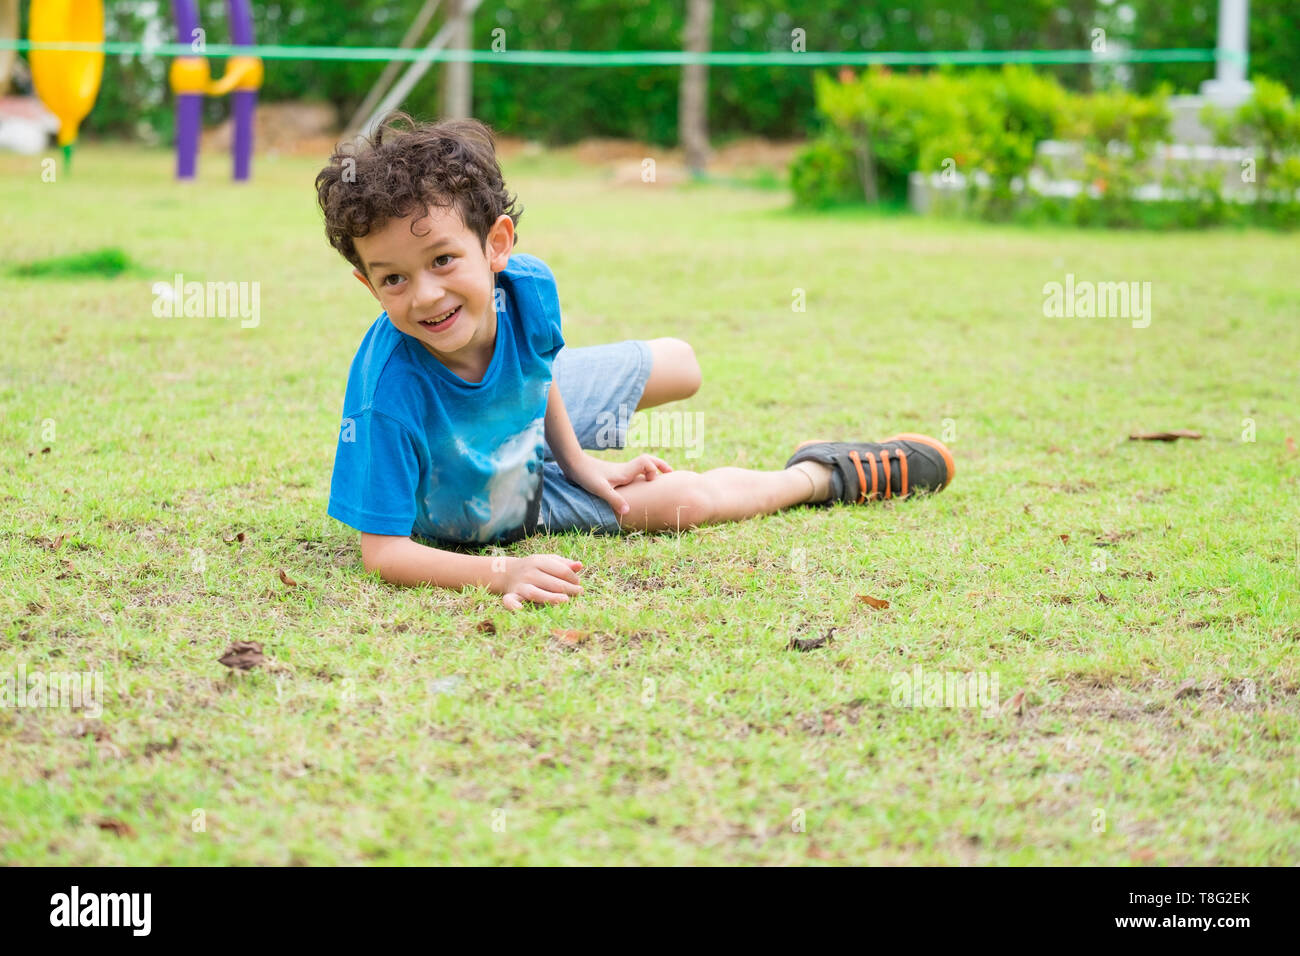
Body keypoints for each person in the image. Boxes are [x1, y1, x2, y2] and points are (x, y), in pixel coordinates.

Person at [317, 113, 955, 610]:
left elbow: (540, 374)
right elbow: (384, 552)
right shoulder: (388, 395)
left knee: (683, 365)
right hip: (502, 497)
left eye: (443, 261)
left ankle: (581, 443)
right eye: (394, 278)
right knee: (687, 501)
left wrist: (584, 462)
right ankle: (827, 473)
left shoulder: (526, 287)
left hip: (525, 419)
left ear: (496, 246)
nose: (425, 294)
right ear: (368, 286)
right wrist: (500, 571)